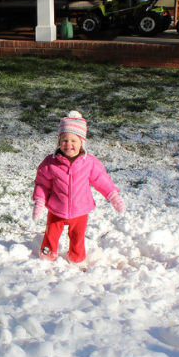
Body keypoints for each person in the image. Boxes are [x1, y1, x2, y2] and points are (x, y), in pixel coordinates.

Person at [32, 110, 125, 266]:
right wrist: (39, 201)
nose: (68, 145)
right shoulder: (50, 163)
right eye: (64, 140)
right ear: (59, 141)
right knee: (51, 234)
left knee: (77, 236)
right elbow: (42, 183)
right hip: (56, 209)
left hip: (80, 209)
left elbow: (101, 179)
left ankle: (76, 258)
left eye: (73, 140)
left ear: (82, 142)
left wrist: (113, 196)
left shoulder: (90, 162)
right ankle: (47, 255)